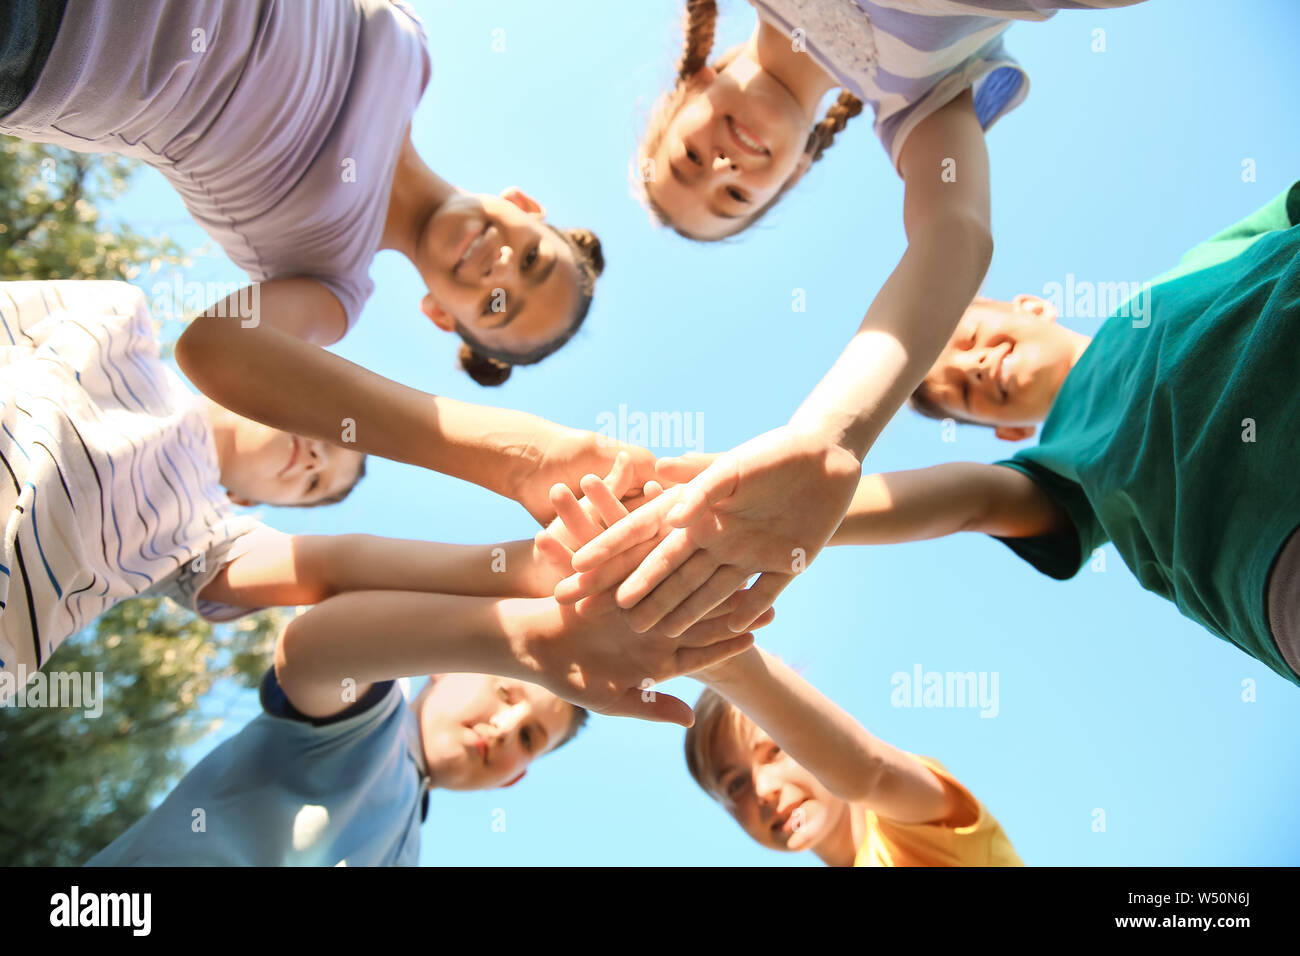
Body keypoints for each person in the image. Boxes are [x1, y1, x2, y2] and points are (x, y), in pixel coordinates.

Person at [564, 0, 1146, 636]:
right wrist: (826, 440)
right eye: (734, 198)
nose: (723, 168)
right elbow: (955, 234)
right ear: (798, 169)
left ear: (691, 86)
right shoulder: (920, 105)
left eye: (688, 159)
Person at [0, 0, 642, 525]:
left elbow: (214, 349)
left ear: (441, 317)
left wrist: (513, 459)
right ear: (524, 204)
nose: (500, 271)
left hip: (48, 39)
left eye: (495, 307)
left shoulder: (332, 287)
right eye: (531, 258)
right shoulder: (412, 50)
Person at [844, 182, 1300, 686]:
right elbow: (968, 502)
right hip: (1275, 552)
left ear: (1032, 306)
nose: (972, 364)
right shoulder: (1058, 468)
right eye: (962, 394)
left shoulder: (1197, 267)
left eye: (969, 339)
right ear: (1009, 430)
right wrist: (806, 505)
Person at [685, 647, 1023, 866]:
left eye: (775, 750)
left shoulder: (919, 824)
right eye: (735, 784)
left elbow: (873, 773)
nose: (763, 790)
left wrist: (721, 654)